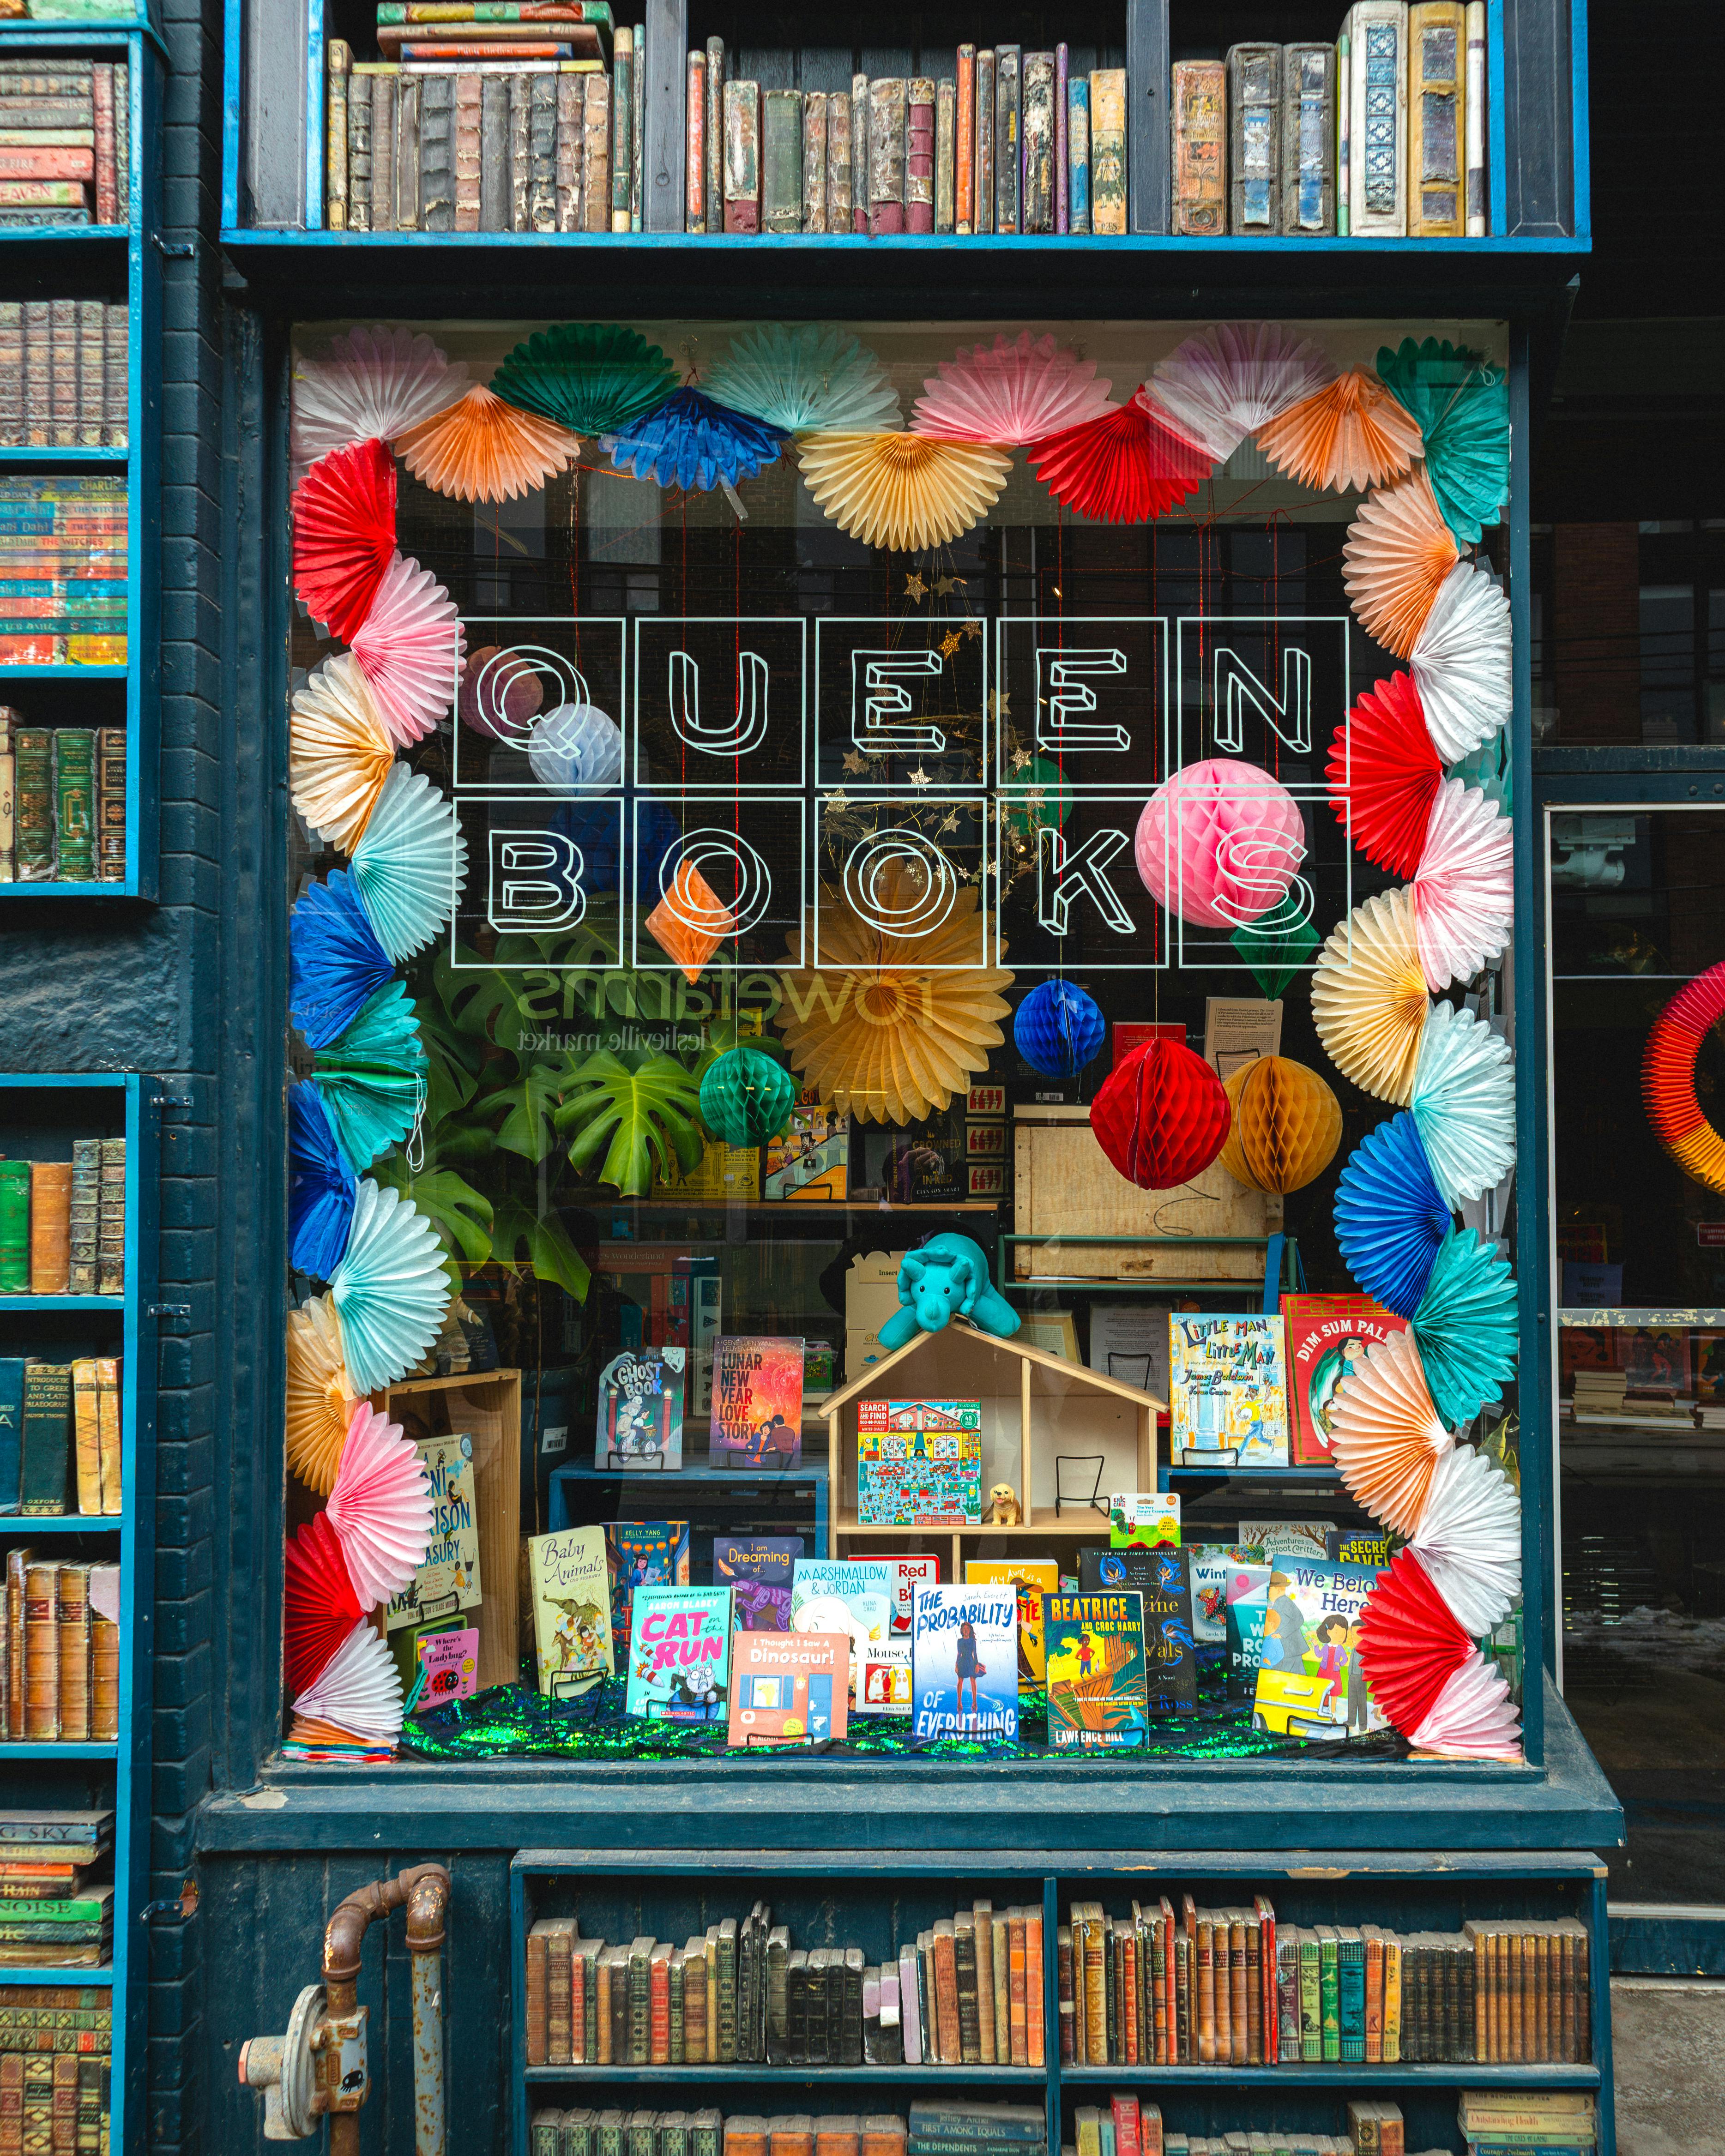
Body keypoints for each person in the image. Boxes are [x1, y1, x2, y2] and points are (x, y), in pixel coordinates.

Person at [954, 1619, 982, 1725]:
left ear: (970, 1631)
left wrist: (976, 1664)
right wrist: (956, 1664)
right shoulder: (959, 1641)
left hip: (971, 1662)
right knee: (960, 1681)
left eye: (967, 1629)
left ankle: (974, 1702)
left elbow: (975, 1653)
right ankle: (959, 1703)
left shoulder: (972, 1641)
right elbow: (958, 1654)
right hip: (962, 1661)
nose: (966, 1631)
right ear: (962, 1631)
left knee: (973, 1681)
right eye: (964, 1629)